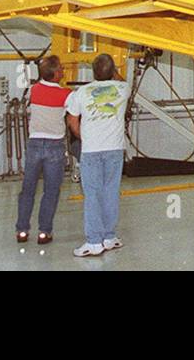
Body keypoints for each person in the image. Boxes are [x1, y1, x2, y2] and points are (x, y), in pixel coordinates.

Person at [66, 53, 128, 257]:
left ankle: (94, 242)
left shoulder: (81, 93)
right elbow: (120, 79)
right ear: (112, 71)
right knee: (111, 191)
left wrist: (83, 137)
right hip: (115, 149)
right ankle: (109, 237)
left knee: (92, 195)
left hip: (91, 150)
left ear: (93, 72)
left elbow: (72, 121)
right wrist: (113, 73)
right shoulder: (122, 89)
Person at [15, 55, 70, 245]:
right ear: (55, 74)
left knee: (28, 189)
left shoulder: (33, 90)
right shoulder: (66, 94)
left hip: (34, 145)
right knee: (51, 191)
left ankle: (22, 230)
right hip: (55, 146)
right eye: (61, 68)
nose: (63, 71)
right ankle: (44, 232)